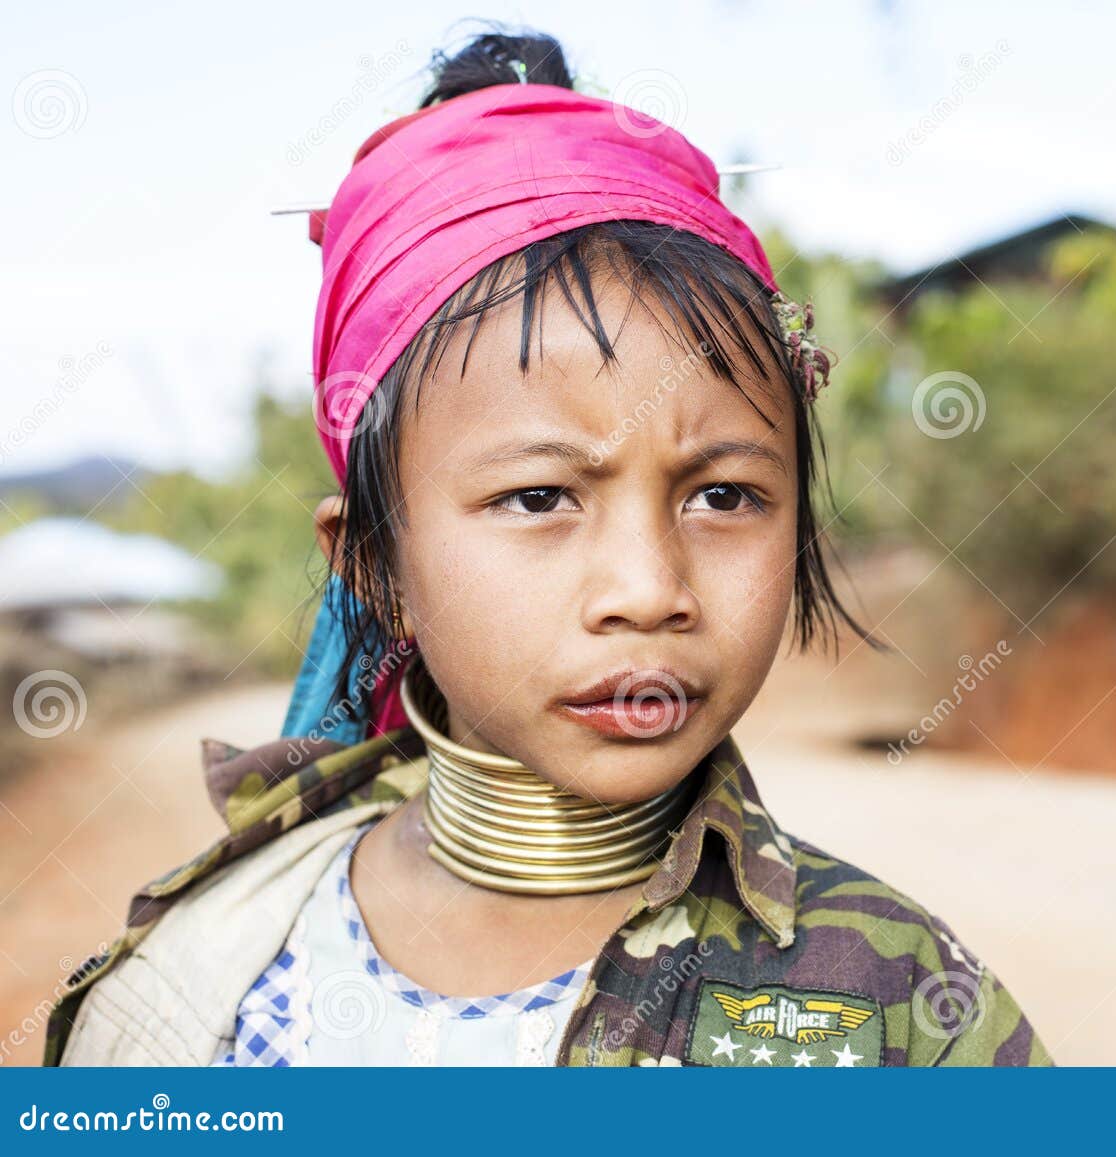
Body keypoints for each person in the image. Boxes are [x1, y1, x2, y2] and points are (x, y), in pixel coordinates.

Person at [43, 27, 1051, 1068]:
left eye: (722, 493)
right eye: (537, 496)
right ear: (374, 567)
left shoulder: (900, 1007)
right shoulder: (194, 988)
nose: (647, 589)